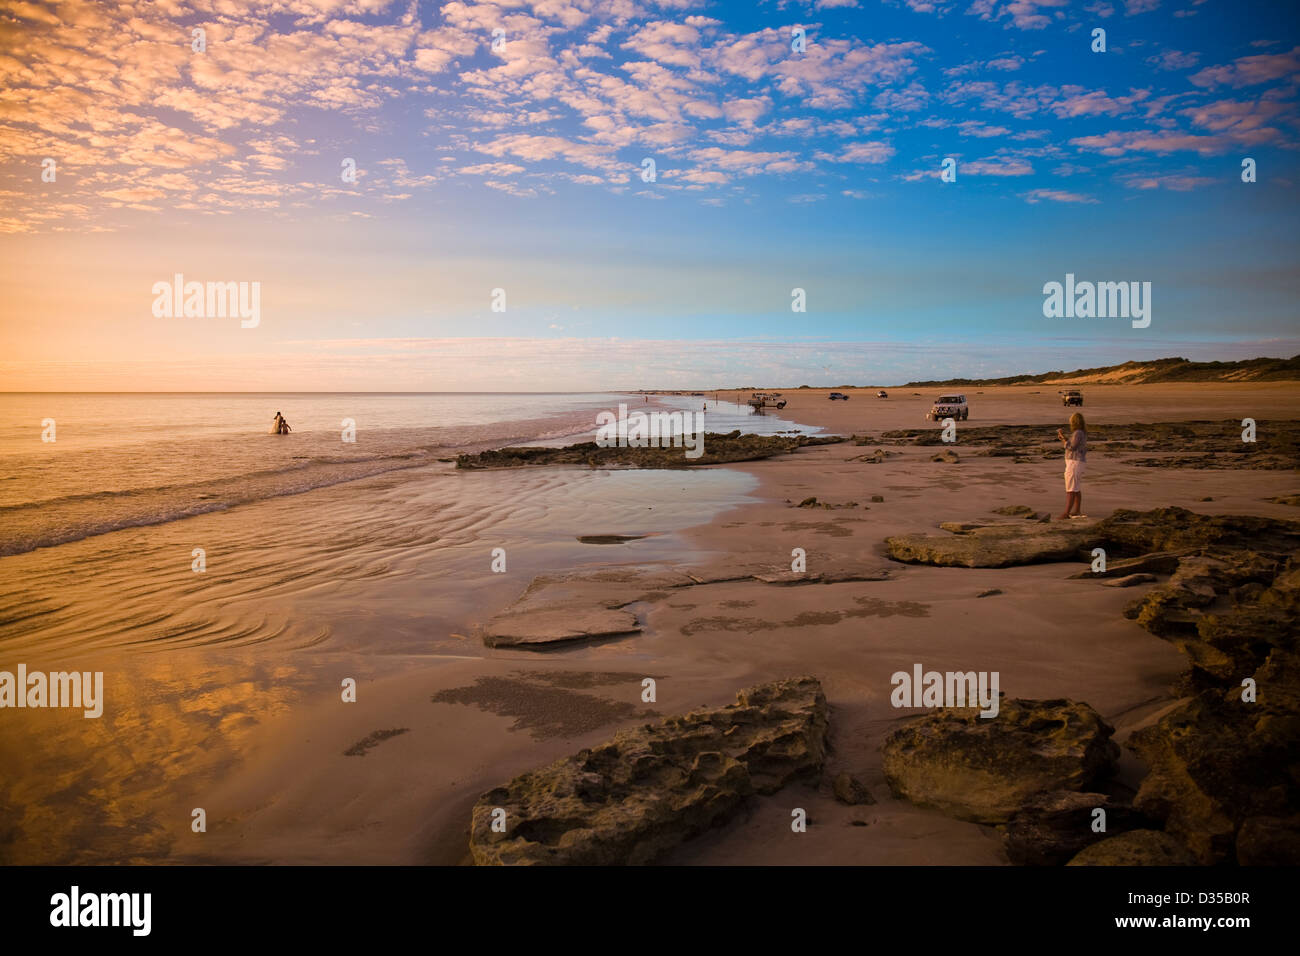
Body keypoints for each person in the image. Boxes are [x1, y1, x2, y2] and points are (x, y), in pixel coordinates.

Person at [1056, 412, 1086, 519]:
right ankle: (1076, 510)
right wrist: (1064, 439)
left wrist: (1064, 439)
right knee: (1076, 487)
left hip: (1074, 462)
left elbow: (1071, 447)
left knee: (1071, 488)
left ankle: (1066, 513)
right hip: (1077, 462)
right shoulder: (1080, 433)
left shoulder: (1078, 433)